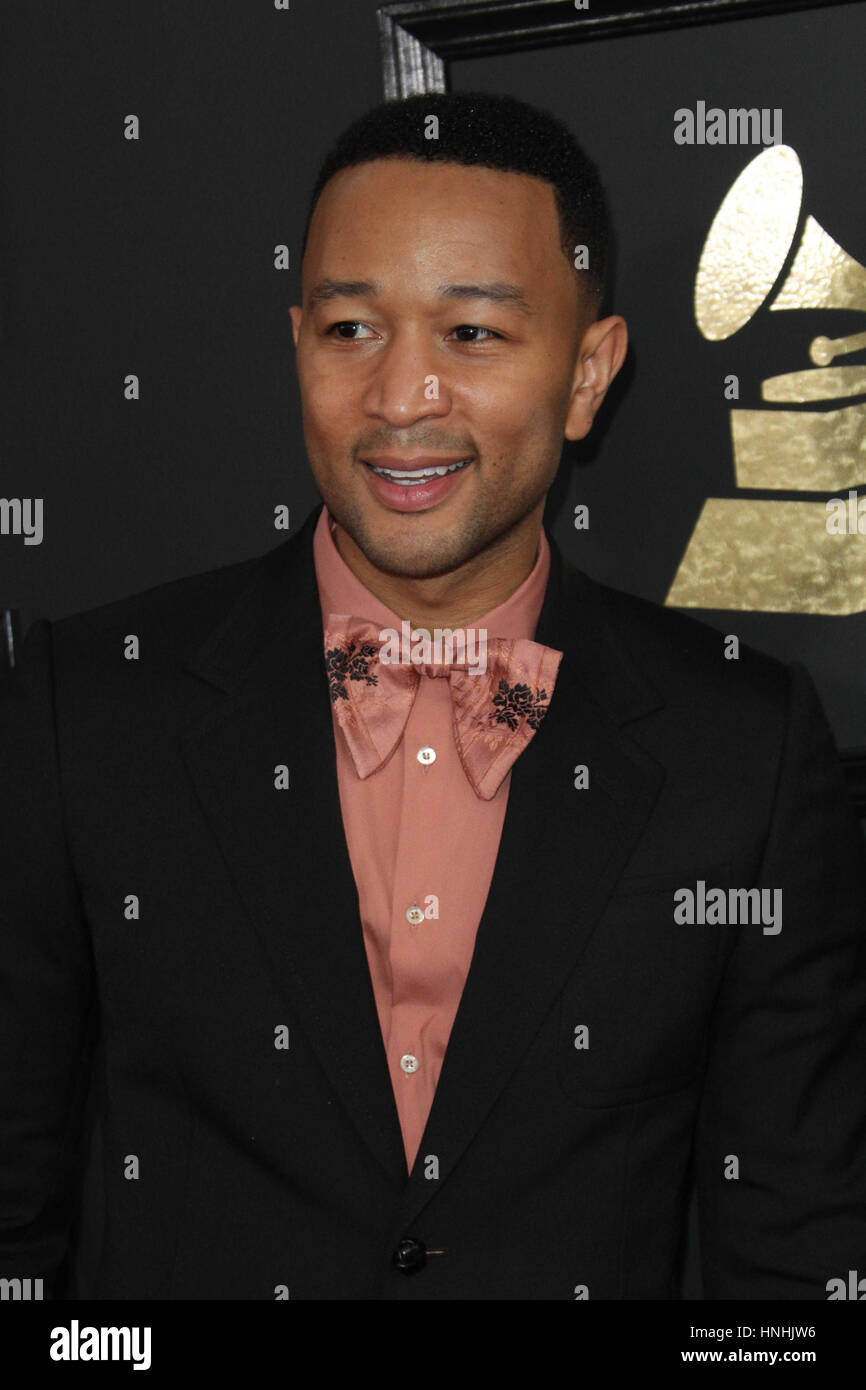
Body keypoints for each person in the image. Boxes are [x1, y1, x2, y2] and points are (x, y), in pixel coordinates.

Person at [1, 91, 864, 1301]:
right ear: (296, 342)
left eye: (471, 334)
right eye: (350, 329)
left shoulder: (744, 751)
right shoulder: (85, 708)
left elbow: (793, 1257)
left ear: (586, 373)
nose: (402, 398)